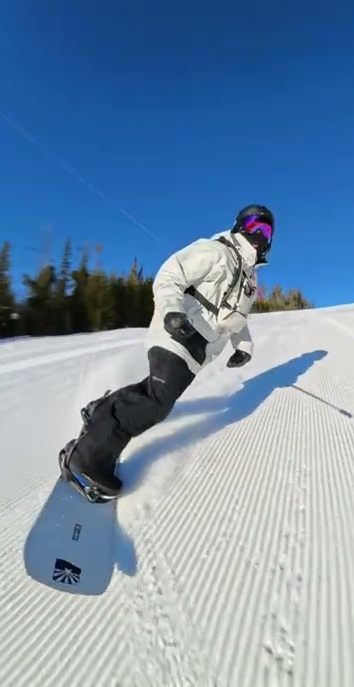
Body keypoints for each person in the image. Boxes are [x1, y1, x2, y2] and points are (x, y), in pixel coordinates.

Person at [59, 204, 275, 501]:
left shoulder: (249, 281)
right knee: (158, 400)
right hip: (177, 330)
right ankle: (85, 458)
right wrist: (172, 312)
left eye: (265, 230)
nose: (258, 235)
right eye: (253, 225)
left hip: (200, 349)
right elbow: (170, 274)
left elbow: (238, 319)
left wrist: (243, 347)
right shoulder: (216, 252)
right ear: (239, 225)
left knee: (156, 394)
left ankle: (101, 410)